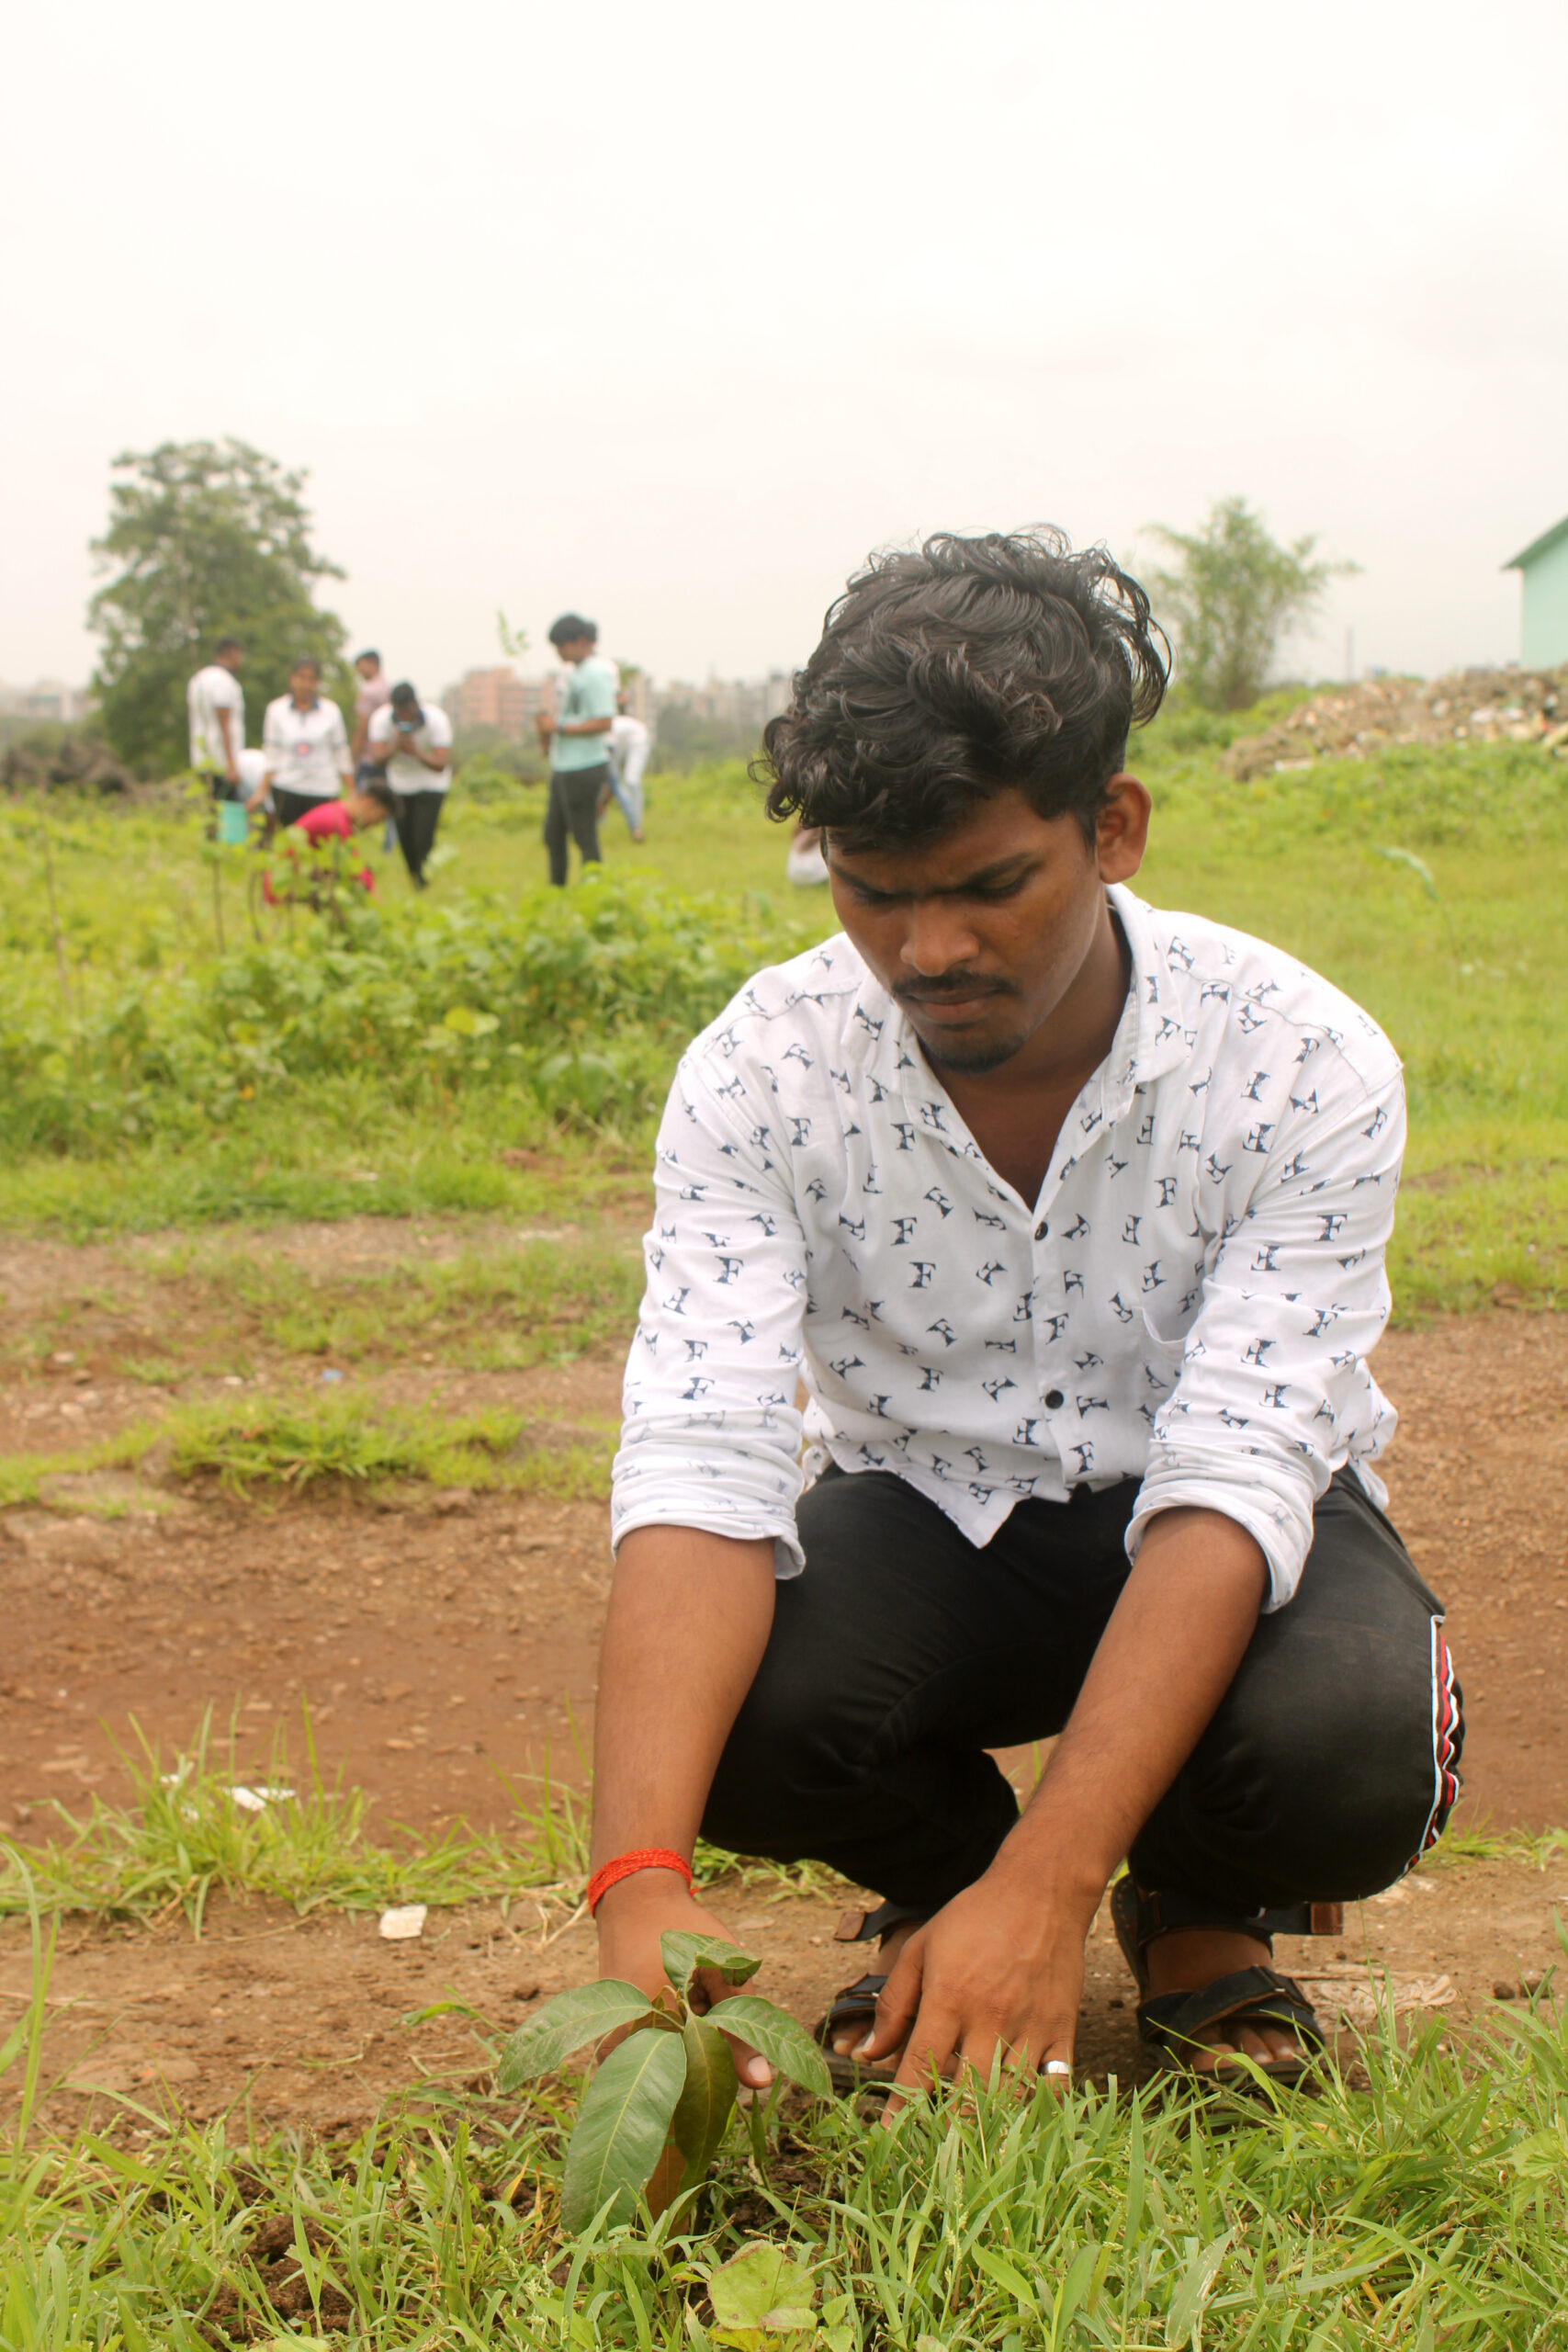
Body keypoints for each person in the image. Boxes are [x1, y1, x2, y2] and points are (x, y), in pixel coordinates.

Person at [590, 529, 1462, 2106]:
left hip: (1220, 1531)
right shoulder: (761, 1073)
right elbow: (700, 1455)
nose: (928, 952)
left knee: (1348, 1746)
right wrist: (635, 1880)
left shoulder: (1297, 1061)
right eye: (872, 893)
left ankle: (1192, 1903)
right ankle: (950, 1894)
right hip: (933, 1515)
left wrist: (1063, 1877)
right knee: (742, 1721)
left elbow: (1235, 1471)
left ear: (1111, 827)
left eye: (991, 887)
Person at [536, 613, 617, 885]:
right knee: (553, 834)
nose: (558, 652)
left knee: (584, 835)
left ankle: (594, 891)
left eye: (562, 645)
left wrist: (557, 728)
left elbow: (605, 721)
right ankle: (557, 890)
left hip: (585, 765)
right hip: (564, 764)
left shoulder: (596, 674)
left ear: (580, 641)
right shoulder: (574, 674)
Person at [367, 680, 453, 888]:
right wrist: (395, 747)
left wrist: (417, 753)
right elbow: (376, 759)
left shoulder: (437, 719)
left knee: (423, 836)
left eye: (408, 712)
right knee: (405, 838)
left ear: (416, 705)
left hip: (432, 784)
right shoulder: (380, 720)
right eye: (400, 713)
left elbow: (441, 763)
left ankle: (424, 879)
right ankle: (415, 878)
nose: (405, 717)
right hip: (399, 784)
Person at [261, 657, 354, 828]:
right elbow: (272, 754)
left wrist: (352, 791)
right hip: (286, 787)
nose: (305, 684)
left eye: (311, 679)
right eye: (301, 677)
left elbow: (341, 753)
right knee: (288, 838)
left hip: (323, 789)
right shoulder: (276, 710)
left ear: (317, 683)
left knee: (321, 839)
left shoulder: (331, 711)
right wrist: (262, 790)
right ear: (291, 679)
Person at [187, 637, 245, 802]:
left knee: (208, 809)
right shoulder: (224, 681)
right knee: (225, 811)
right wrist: (231, 766)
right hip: (222, 764)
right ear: (234, 652)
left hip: (201, 759)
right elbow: (224, 725)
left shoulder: (197, 678)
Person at [351, 650, 395, 851]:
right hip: (388, 756)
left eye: (360, 665)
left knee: (360, 801)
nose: (358, 671)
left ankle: (353, 842)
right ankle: (389, 846)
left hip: (369, 757)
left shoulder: (369, 691)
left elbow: (362, 727)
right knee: (389, 802)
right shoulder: (389, 689)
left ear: (371, 663)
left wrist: (354, 757)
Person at [603, 691, 649, 842]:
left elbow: (609, 753)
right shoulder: (612, 723)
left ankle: (636, 826)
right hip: (622, 743)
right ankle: (633, 826)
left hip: (638, 741)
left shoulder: (609, 726)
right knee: (614, 783)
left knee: (631, 781)